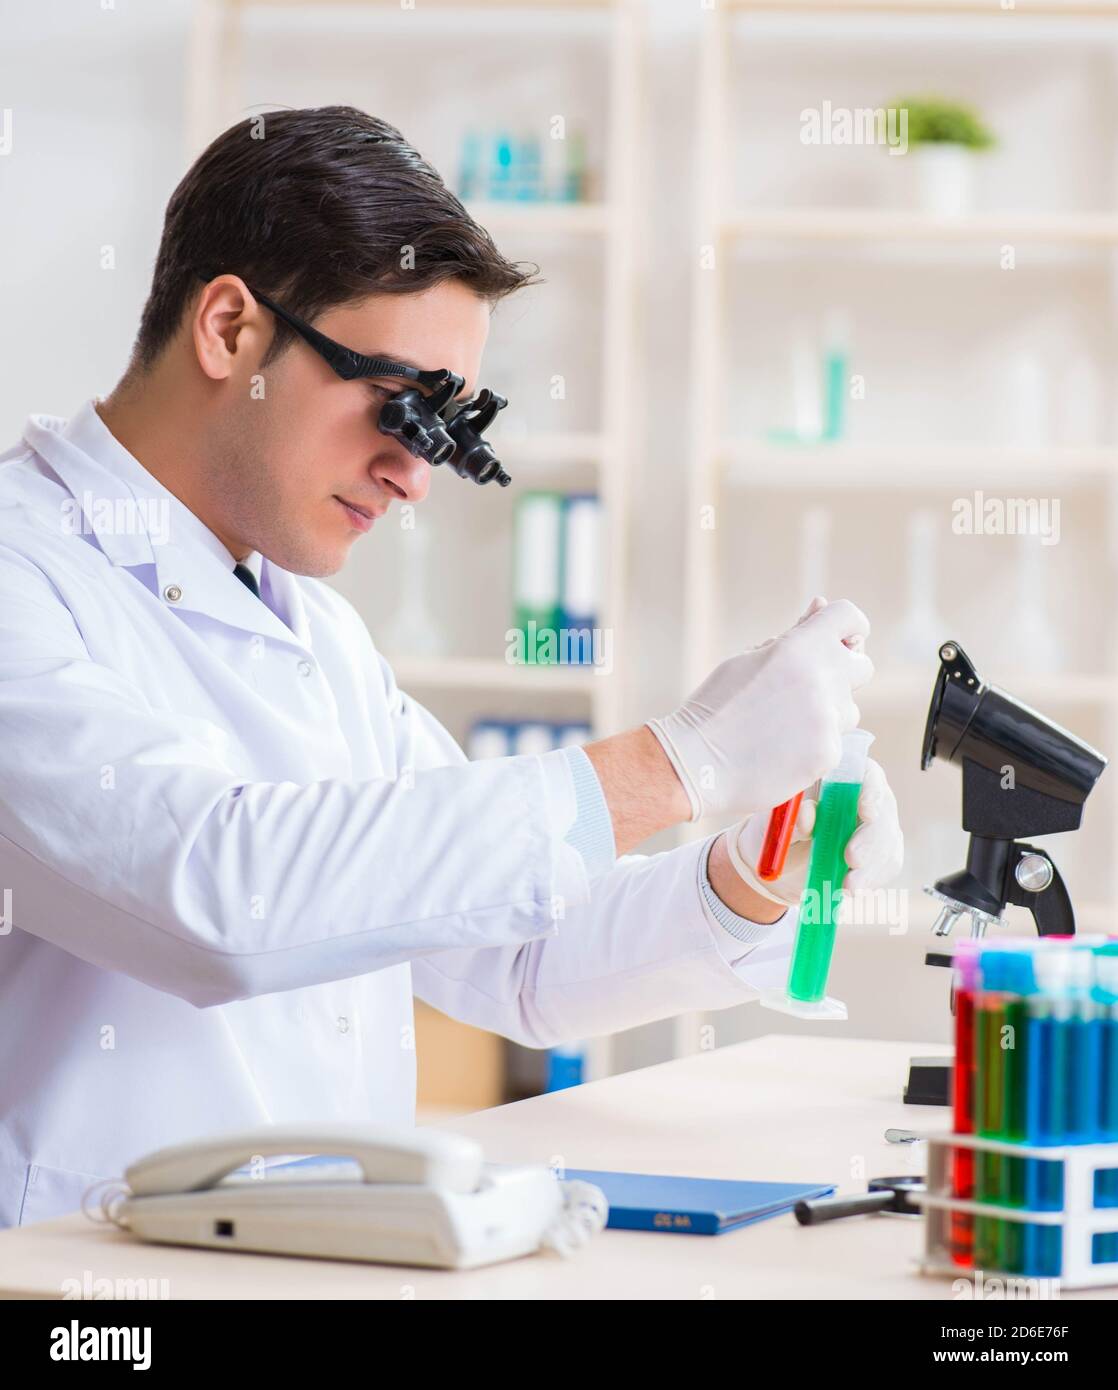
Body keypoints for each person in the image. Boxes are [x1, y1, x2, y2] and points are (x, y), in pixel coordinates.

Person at [0, 106, 902, 1227]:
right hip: (79, 1273)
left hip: (328, 1254)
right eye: (400, 405)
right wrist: (678, 763)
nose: (414, 475)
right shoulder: (23, 573)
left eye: (445, 428)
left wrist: (748, 873)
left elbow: (514, 955)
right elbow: (215, 896)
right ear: (229, 329)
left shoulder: (313, 631)